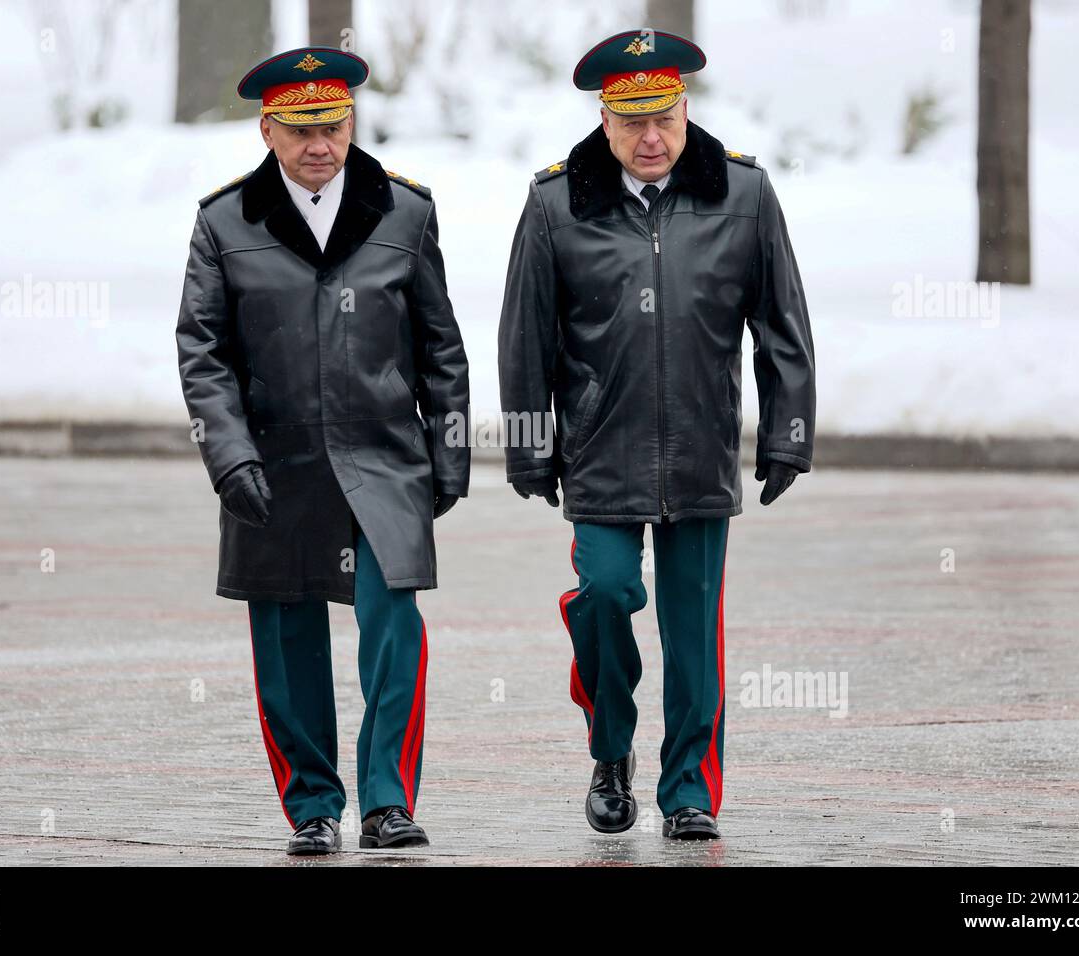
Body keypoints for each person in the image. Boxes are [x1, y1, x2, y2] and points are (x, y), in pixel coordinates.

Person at [498, 29, 816, 840]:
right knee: (605, 594)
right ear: (604, 121)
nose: (649, 139)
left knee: (693, 627)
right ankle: (611, 752)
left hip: (701, 450)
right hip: (598, 451)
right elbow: (526, 338)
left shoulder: (743, 195)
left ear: (686, 110)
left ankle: (689, 793)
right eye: (630, 121)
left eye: (663, 119)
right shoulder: (555, 202)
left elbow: (782, 326)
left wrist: (788, 434)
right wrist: (533, 445)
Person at [175, 46, 470, 855]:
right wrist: (230, 458)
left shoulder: (403, 212)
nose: (321, 145)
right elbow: (202, 352)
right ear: (268, 130)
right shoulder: (224, 222)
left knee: (393, 622)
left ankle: (387, 801)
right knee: (286, 637)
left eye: (334, 126)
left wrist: (450, 455)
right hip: (274, 464)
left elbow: (441, 346)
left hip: (385, 460)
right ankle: (312, 805)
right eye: (302, 129)